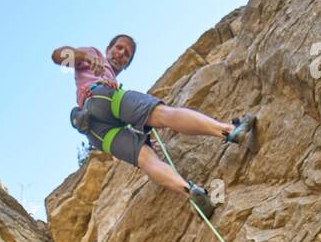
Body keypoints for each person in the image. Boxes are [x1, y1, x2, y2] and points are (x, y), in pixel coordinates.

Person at [51, 34, 256, 219]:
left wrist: (140, 134)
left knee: (145, 157)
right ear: (108, 48)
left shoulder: (109, 77)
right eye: (119, 48)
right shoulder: (94, 55)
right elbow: (58, 56)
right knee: (164, 115)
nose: (121, 54)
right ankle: (231, 131)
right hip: (101, 97)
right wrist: (85, 57)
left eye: (127, 55)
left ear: (126, 66)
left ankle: (191, 192)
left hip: (95, 129)